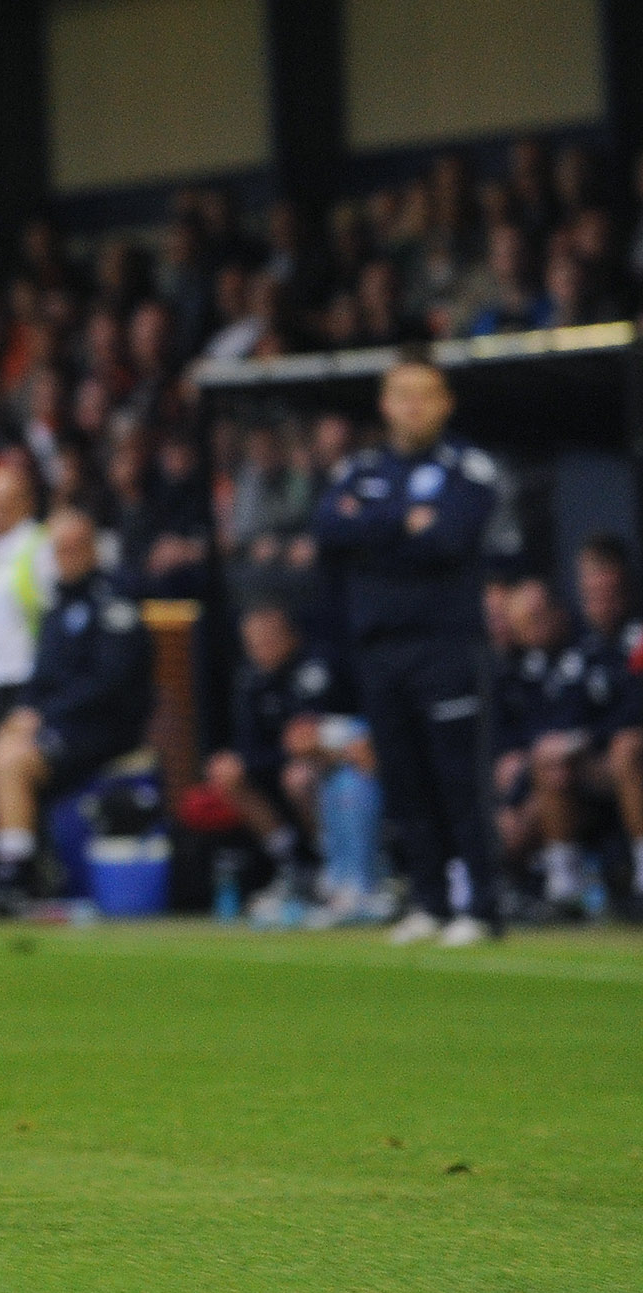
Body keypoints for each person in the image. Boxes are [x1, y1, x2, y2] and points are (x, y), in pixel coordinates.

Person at [311, 354, 504, 945]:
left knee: (459, 778)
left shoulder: (466, 467)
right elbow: (327, 529)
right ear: (384, 403)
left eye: (425, 394)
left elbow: (449, 538)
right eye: (402, 394)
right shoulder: (359, 468)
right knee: (403, 778)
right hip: (379, 650)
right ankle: (429, 900)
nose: (413, 405)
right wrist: (404, 524)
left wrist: (373, 527)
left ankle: (481, 907)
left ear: (445, 402)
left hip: (445, 646)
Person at [0, 508, 152, 914]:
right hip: (47, 725)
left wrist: (43, 717)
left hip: (97, 732)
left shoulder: (114, 603)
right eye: (58, 549)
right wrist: (23, 711)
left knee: (11, 762)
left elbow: (110, 684)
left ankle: (14, 878)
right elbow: (40, 677)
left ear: (92, 547)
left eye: (73, 547)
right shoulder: (56, 606)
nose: (65, 557)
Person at [200, 599, 364, 922]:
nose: (260, 649)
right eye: (253, 643)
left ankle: (333, 866)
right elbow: (247, 743)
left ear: (290, 636)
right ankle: (293, 864)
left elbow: (317, 735)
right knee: (226, 771)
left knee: (299, 774)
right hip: (275, 769)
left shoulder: (314, 669)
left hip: (335, 770)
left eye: (267, 640)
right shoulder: (250, 679)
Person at [521, 537, 643, 919]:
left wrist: (588, 738)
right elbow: (567, 711)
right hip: (600, 766)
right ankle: (565, 888)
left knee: (626, 748)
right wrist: (570, 743)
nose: (599, 602)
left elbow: (635, 708)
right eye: (590, 592)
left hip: (631, 758)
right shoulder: (581, 648)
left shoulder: (637, 639)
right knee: (549, 757)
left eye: (606, 592)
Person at [0, 451, 52, 719]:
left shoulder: (39, 546)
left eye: (1, 501)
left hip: (28, 672)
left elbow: (51, 610)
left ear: (24, 502)